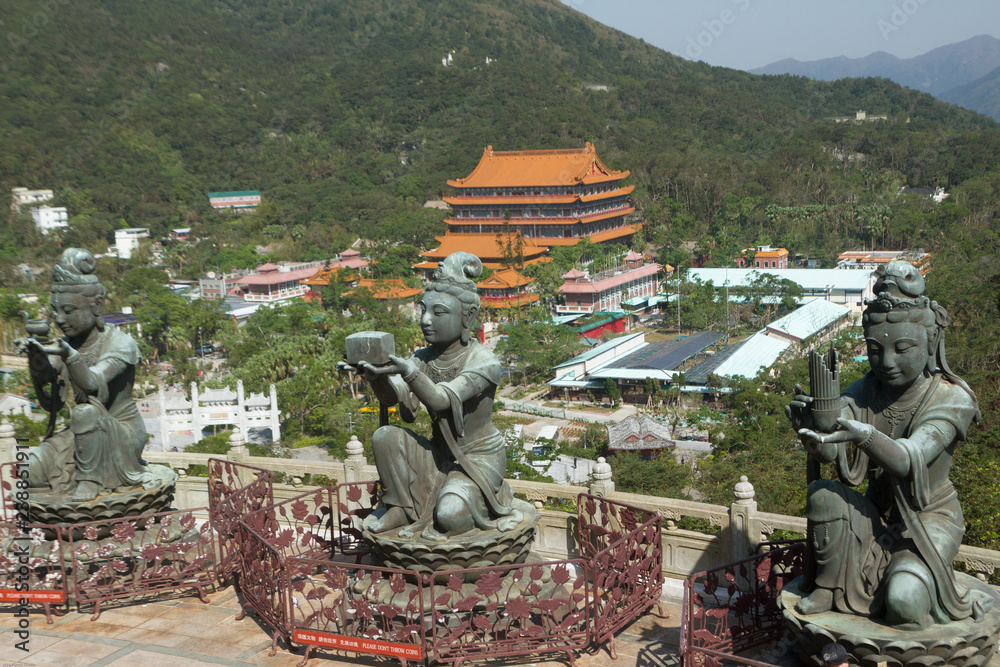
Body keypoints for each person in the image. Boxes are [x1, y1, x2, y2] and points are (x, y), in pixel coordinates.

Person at [787, 260, 990, 629]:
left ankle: (912, 594)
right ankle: (830, 586)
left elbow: (910, 459)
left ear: (929, 344)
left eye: (903, 348)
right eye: (875, 350)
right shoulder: (864, 391)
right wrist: (814, 433)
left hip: (927, 518)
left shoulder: (950, 398)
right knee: (822, 494)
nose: (888, 362)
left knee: (904, 602)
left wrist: (863, 435)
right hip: (876, 512)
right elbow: (833, 446)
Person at [356, 252, 520, 542]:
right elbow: (395, 401)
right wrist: (376, 377)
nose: (426, 320)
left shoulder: (484, 362)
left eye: (439, 312)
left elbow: (441, 400)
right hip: (438, 455)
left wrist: (408, 371)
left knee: (449, 516)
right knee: (385, 436)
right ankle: (399, 507)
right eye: (423, 310)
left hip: (477, 459)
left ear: (467, 317)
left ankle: (483, 499)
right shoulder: (423, 358)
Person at [17, 249, 154, 502]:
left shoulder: (120, 343)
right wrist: (36, 357)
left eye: (68, 310)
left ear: (97, 306)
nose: (59, 319)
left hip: (120, 432)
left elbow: (92, 385)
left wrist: (69, 356)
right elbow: (50, 391)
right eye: (55, 311)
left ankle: (89, 480)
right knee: (28, 471)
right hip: (81, 433)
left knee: (85, 411)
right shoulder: (67, 344)